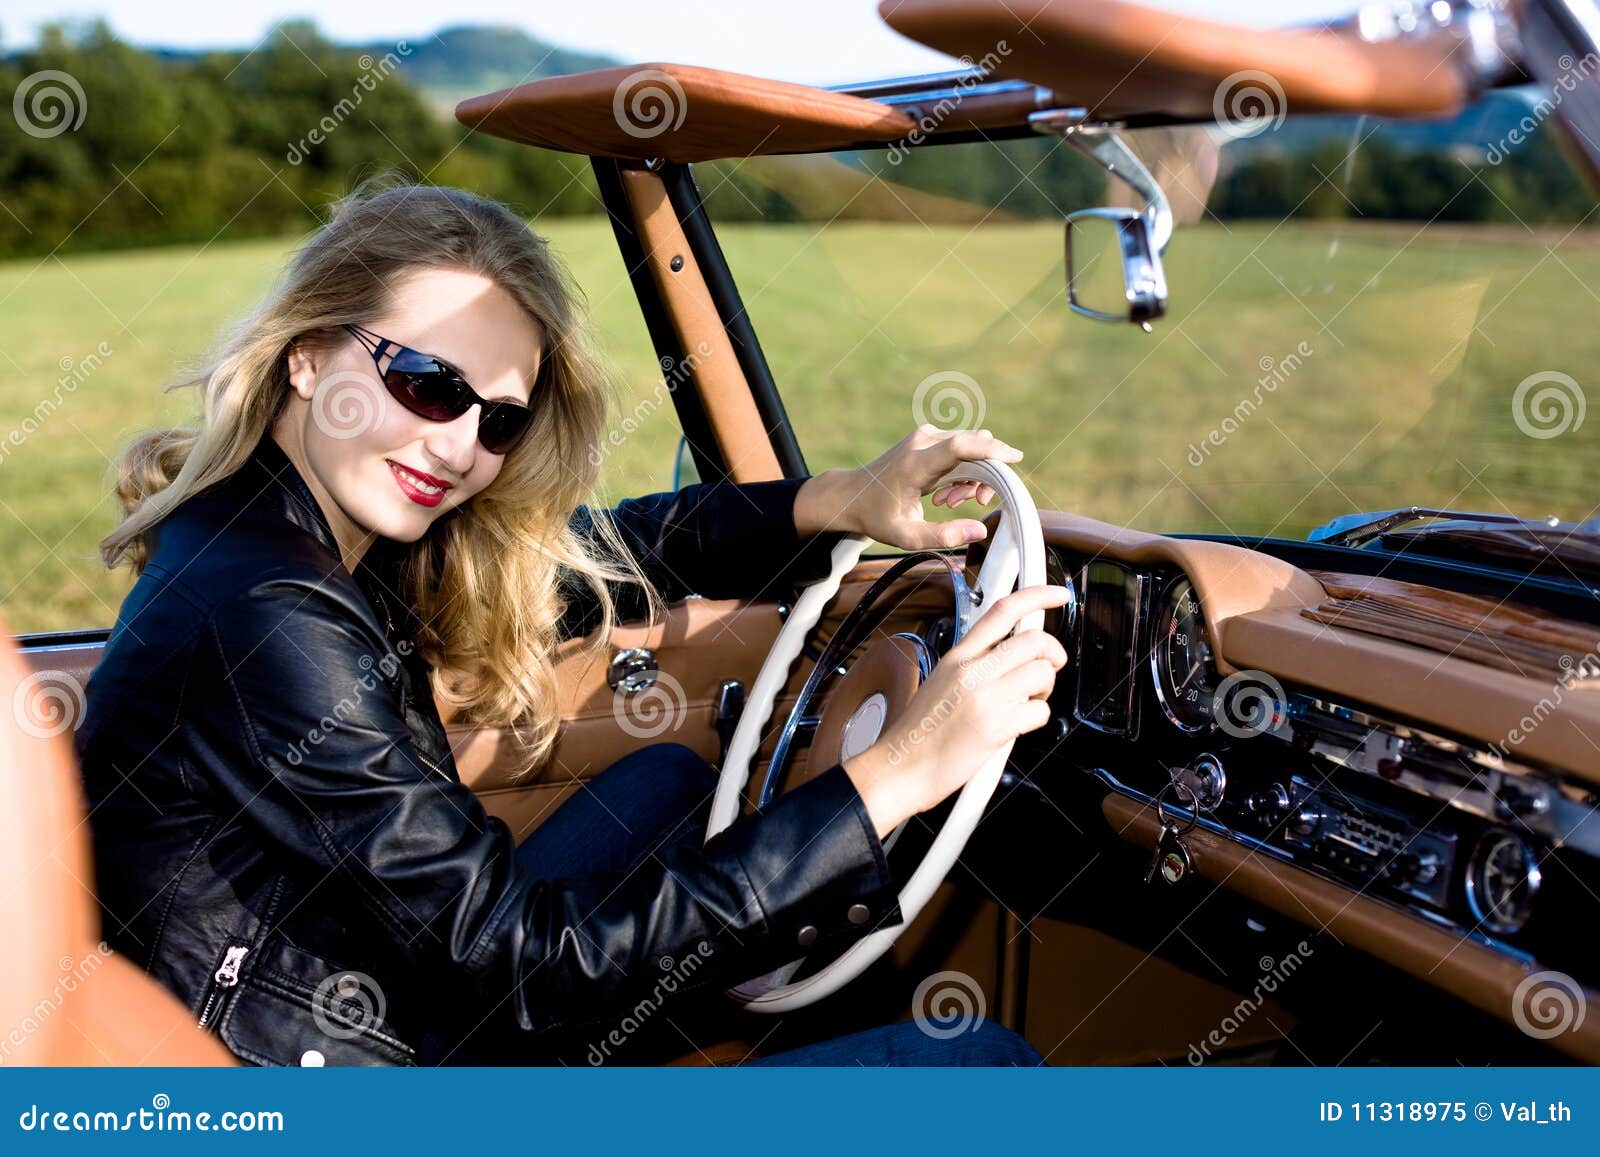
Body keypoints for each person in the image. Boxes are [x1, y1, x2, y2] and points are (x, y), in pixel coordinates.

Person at [76, 180, 1069, 1067]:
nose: (460, 446)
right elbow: (524, 969)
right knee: (977, 1060)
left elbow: (595, 554)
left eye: (498, 419)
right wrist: (899, 770)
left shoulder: (295, 528)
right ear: (305, 358)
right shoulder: (268, 615)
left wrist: (841, 498)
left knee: (674, 783)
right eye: (426, 382)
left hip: (325, 1001)